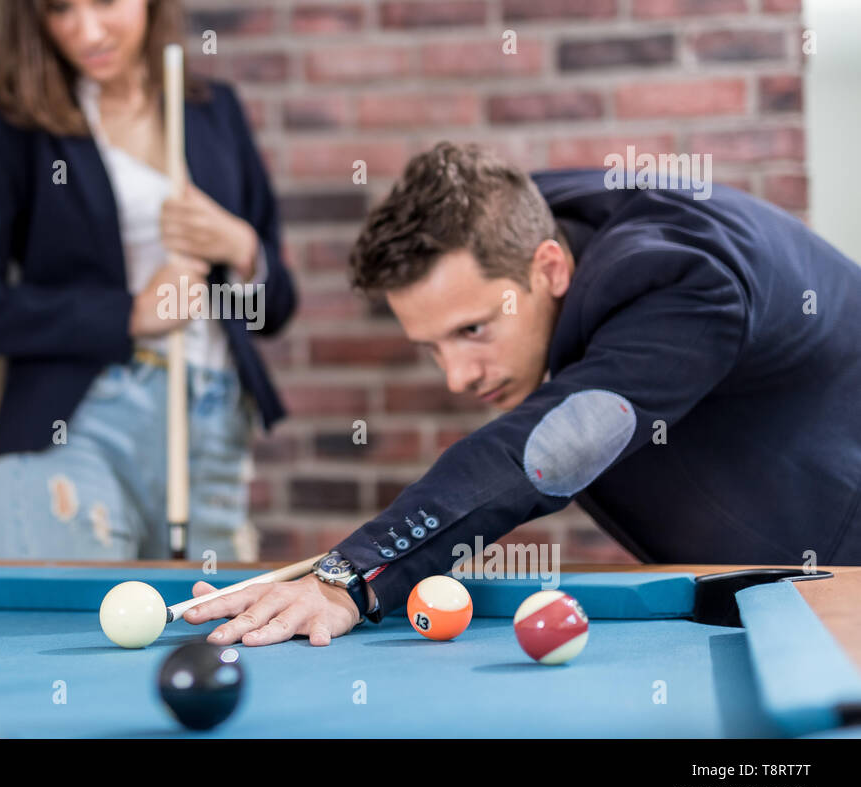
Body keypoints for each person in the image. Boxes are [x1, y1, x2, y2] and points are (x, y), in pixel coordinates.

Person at [185, 142, 861, 645]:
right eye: (432, 346)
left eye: (473, 330)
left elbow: (543, 453)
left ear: (549, 267)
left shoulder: (687, 282)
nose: (457, 377)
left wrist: (350, 577)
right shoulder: (523, 219)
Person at [0, 0, 296, 561]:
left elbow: (275, 306)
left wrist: (240, 249)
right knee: (64, 650)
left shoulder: (215, 111)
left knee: (210, 651)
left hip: (213, 419)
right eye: (59, 8)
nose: (85, 31)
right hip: (80, 420)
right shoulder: (11, 121)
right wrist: (125, 313)